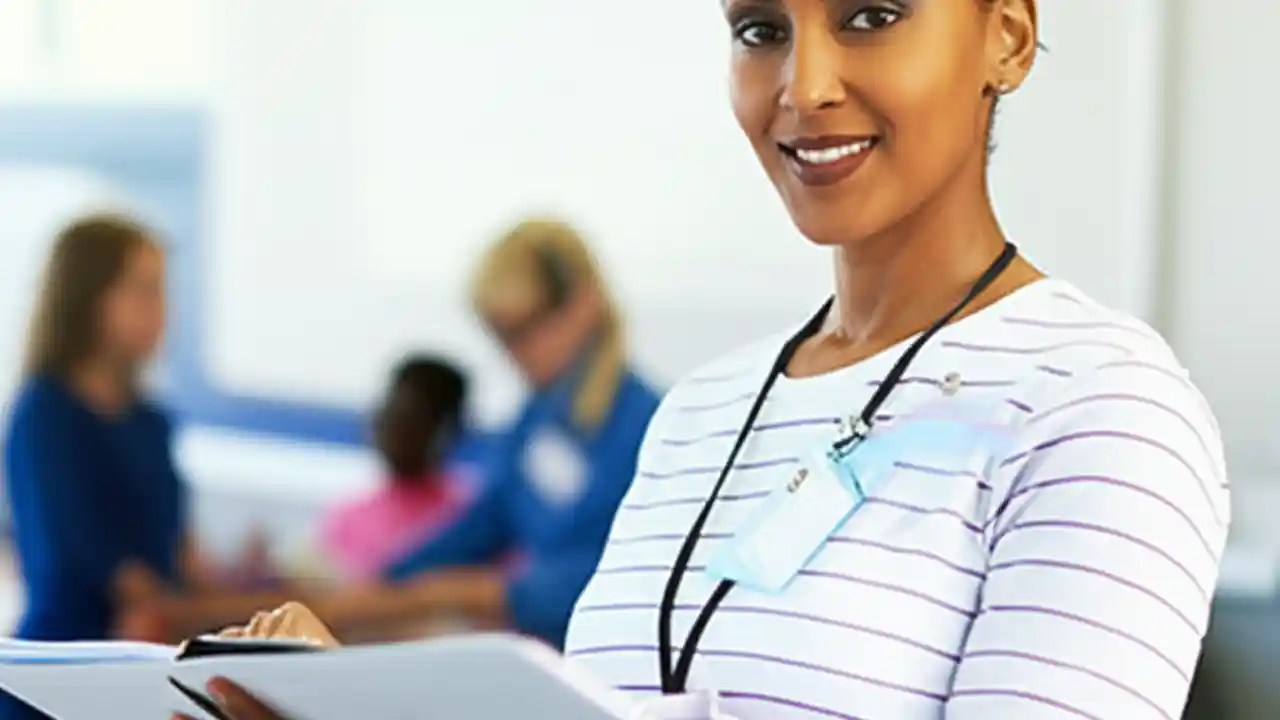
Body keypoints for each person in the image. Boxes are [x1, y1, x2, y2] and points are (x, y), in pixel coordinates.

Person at [179, 2, 1230, 719]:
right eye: (760, 29)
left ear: (1006, 36)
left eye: (870, 16)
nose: (804, 85)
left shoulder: (1099, 407)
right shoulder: (699, 412)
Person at [252, 219, 658, 651]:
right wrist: (390, 580)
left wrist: (466, 593)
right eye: (503, 338)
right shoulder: (537, 418)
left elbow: (619, 582)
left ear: (582, 304)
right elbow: (485, 520)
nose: (516, 356)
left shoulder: (651, 430)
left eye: (525, 331)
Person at [319, 355, 477, 583]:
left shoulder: (472, 517)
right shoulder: (345, 518)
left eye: (410, 420)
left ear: (451, 429)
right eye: (390, 413)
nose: (393, 429)